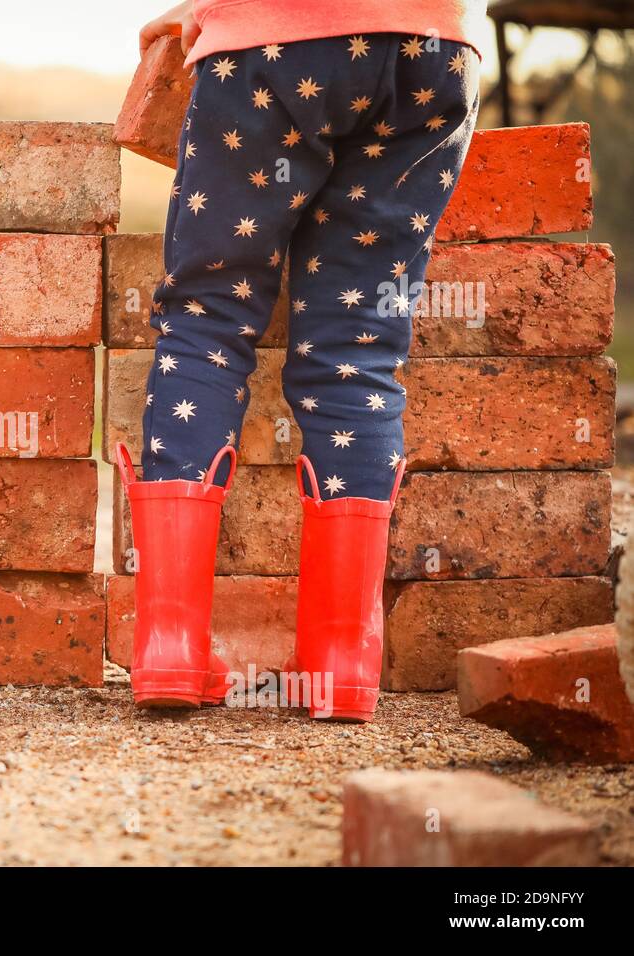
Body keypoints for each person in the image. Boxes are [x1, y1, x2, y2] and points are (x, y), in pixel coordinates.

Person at [120, 1, 487, 720]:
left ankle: (170, 646)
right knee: (360, 344)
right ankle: (341, 660)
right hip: (432, 51)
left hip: (274, 44)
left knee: (207, 317)